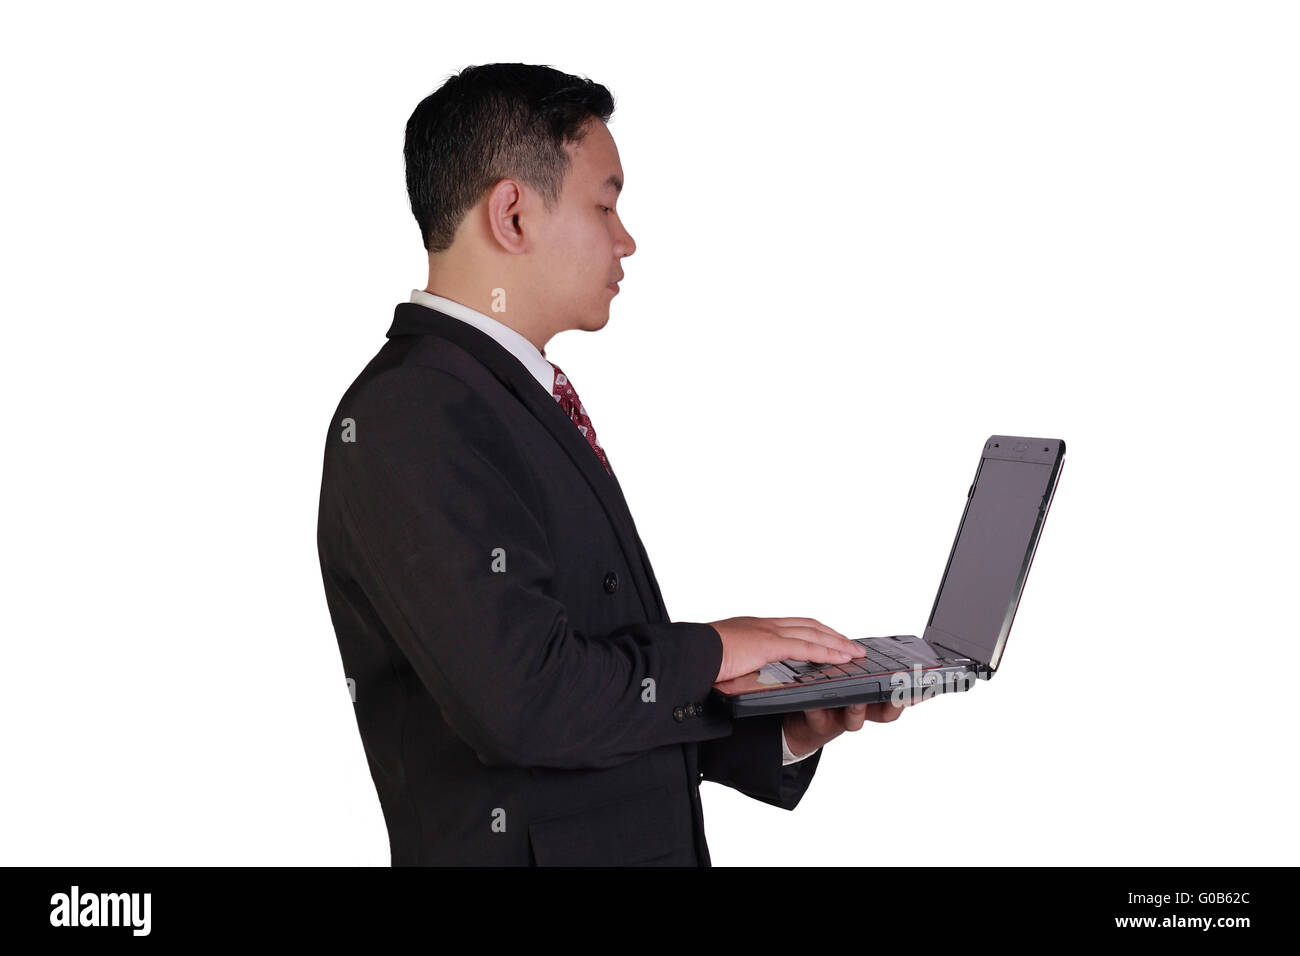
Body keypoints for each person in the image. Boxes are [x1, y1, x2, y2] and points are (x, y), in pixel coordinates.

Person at [316, 63, 907, 866]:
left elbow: (600, 689)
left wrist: (786, 726)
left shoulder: (503, 396)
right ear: (513, 214)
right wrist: (713, 648)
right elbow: (524, 704)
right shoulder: (411, 413)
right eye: (605, 204)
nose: (625, 238)